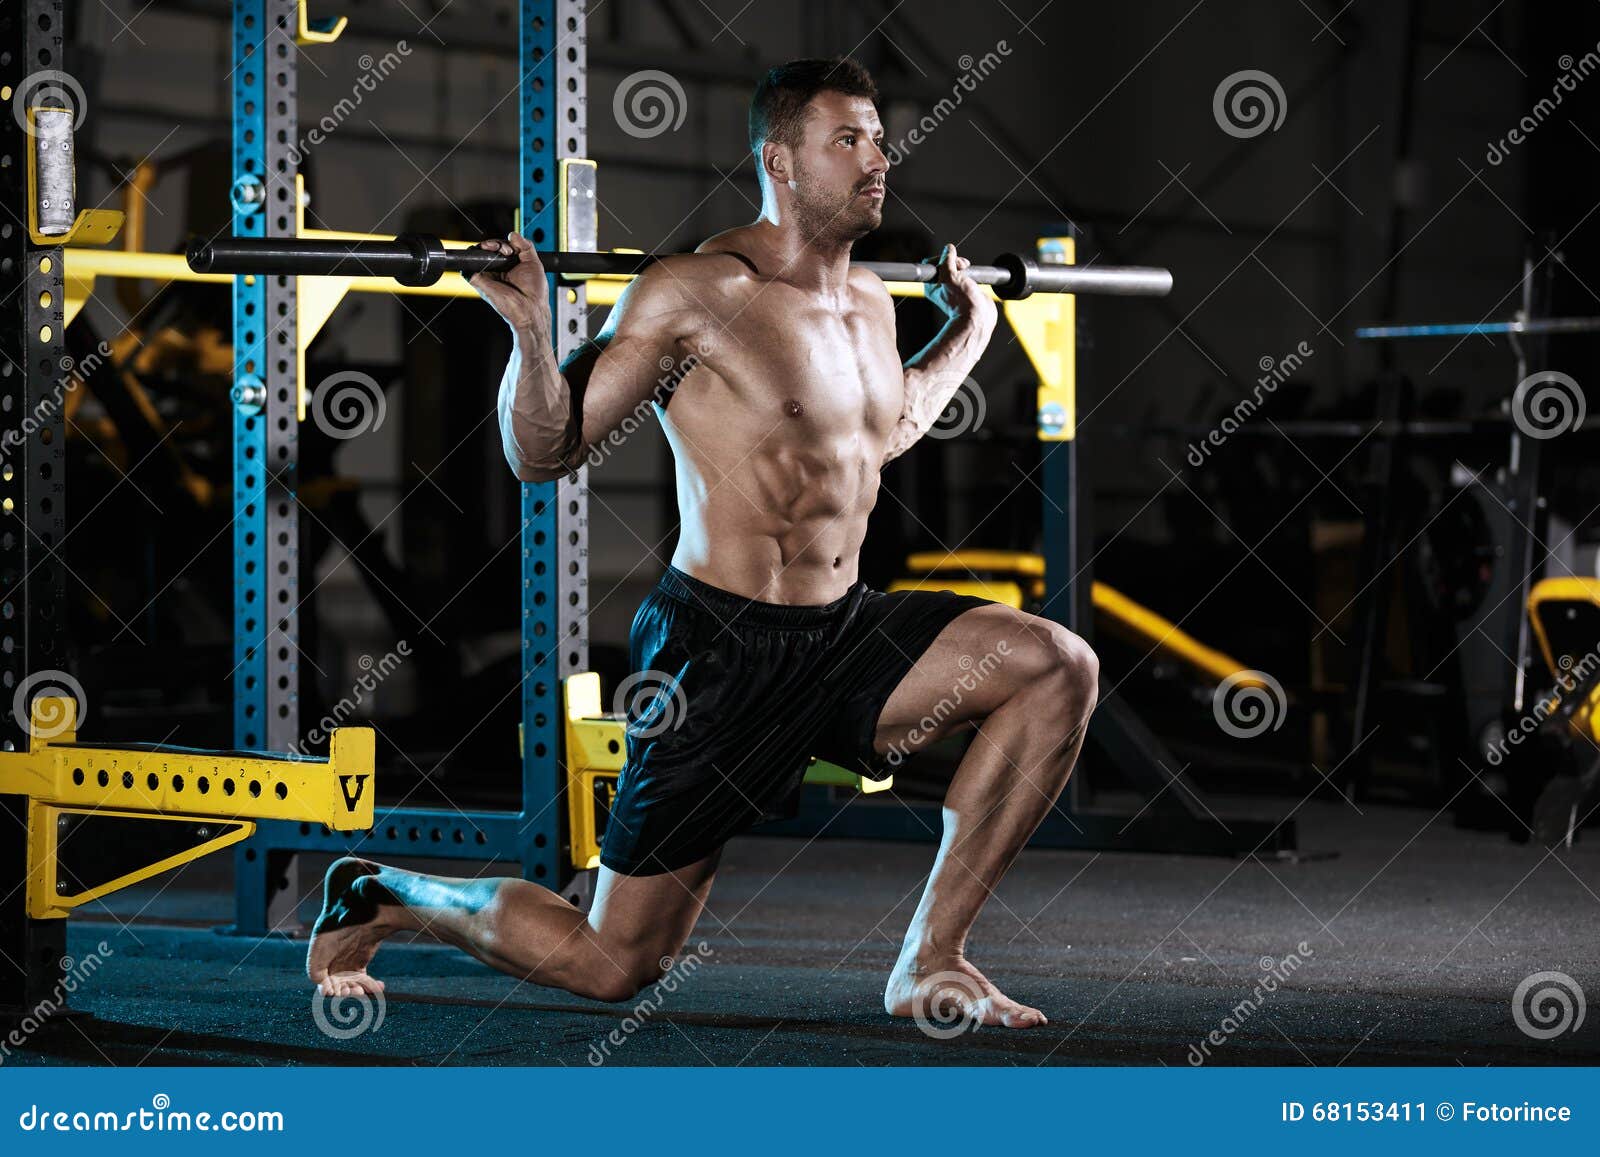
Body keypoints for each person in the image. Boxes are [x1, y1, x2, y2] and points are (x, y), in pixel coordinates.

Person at [308, 57, 1098, 1030]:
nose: (877, 158)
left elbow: (871, 435)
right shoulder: (694, 290)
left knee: (1053, 663)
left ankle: (933, 958)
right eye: (846, 139)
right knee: (611, 963)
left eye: (880, 138)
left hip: (843, 633)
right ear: (778, 158)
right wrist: (528, 329)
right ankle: (381, 890)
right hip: (717, 652)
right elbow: (544, 453)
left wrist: (966, 337)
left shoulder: (870, 303)